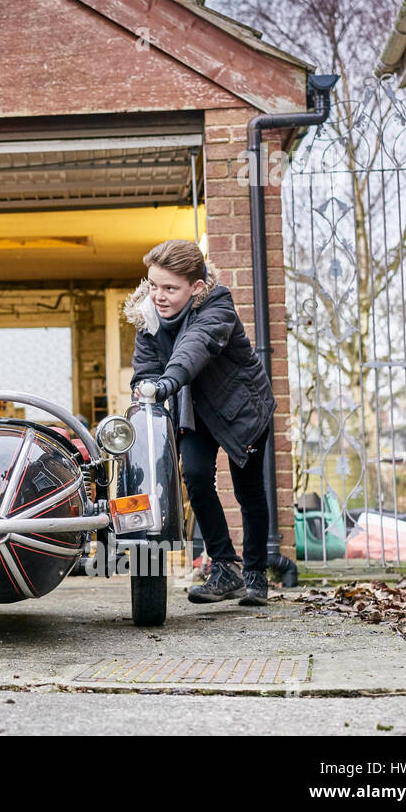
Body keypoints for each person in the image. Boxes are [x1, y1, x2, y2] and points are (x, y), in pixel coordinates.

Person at [124, 239, 277, 605]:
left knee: (249, 492)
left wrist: (166, 382)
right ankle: (226, 568)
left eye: (170, 288)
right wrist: (143, 386)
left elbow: (197, 346)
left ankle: (255, 574)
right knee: (194, 477)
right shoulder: (147, 318)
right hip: (195, 410)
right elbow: (145, 367)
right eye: (153, 285)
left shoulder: (217, 306)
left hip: (242, 409)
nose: (158, 296)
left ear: (196, 288)